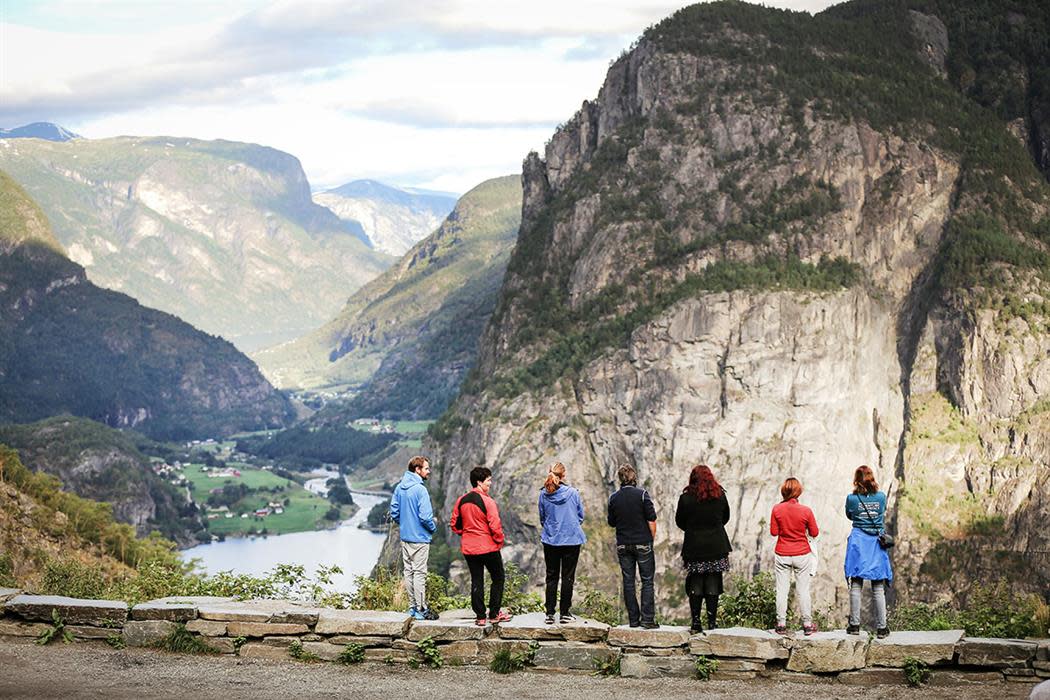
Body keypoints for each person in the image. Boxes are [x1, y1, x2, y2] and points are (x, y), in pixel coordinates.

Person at [450, 466, 512, 626]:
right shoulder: (488, 502)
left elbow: (454, 524)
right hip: (488, 547)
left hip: (469, 548)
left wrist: (466, 533)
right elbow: (495, 526)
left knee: (476, 579)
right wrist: (499, 541)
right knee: (498, 578)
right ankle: (494, 613)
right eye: (488, 480)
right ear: (479, 482)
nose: (490, 483)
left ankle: (480, 616)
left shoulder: (461, 500)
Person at [675, 464, 732, 633]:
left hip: (694, 546)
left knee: (696, 582)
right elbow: (725, 517)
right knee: (713, 581)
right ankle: (712, 622)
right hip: (716, 545)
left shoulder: (685, 498)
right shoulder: (720, 495)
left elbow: (680, 521)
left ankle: (696, 622)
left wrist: (693, 530)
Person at [607, 464, 659, 629]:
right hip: (643, 542)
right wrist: (650, 539)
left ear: (620, 479)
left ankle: (633, 620)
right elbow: (651, 519)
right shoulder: (642, 495)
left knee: (628, 581)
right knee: (647, 581)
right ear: (633, 477)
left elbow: (611, 522)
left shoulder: (614, 498)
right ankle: (648, 620)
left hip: (623, 544)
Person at [844, 465, 893, 638]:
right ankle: (882, 628)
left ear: (857, 480)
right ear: (872, 478)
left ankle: (855, 625)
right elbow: (881, 513)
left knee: (856, 584)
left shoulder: (852, 499)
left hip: (858, 542)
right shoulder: (881, 497)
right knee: (878, 587)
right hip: (875, 543)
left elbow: (850, 516)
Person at [389, 455, 438, 621]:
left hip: (405, 537)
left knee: (408, 572)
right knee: (419, 574)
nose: (428, 471)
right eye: (426, 468)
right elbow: (425, 517)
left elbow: (394, 512)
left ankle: (412, 607)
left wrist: (405, 523)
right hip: (420, 538)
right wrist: (433, 527)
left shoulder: (400, 487)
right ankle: (422, 608)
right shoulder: (420, 490)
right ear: (417, 470)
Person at [769, 476, 819, 635]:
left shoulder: (777, 509)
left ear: (784, 491)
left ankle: (781, 624)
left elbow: (774, 532)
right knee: (803, 590)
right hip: (802, 554)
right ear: (798, 492)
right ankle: (807, 625)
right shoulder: (806, 511)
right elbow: (815, 532)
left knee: (781, 590)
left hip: (782, 553)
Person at [538, 462, 586, 624]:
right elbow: (580, 516)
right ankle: (565, 612)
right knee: (568, 577)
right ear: (563, 475)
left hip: (550, 540)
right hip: (571, 540)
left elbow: (542, 518)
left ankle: (549, 614)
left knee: (551, 577)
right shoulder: (573, 493)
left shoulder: (543, 495)